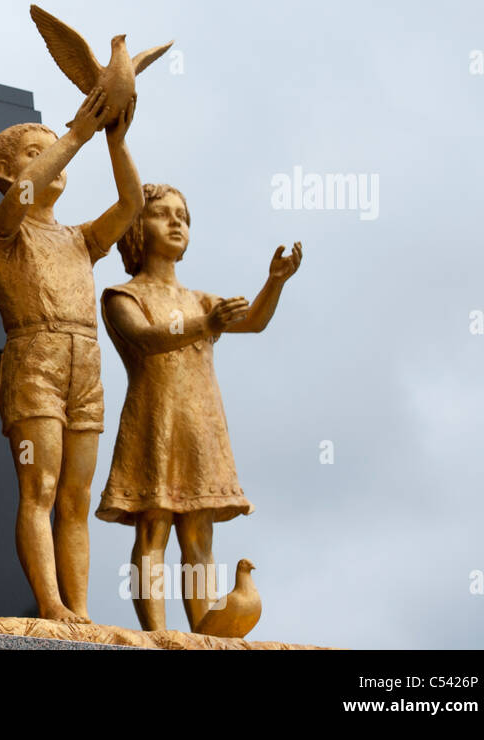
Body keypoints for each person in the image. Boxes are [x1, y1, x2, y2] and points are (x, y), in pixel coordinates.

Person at [98, 183, 302, 632]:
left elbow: (254, 321)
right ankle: (156, 632)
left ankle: (202, 631)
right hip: (155, 421)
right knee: (153, 526)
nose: (176, 223)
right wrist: (204, 325)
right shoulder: (122, 295)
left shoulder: (199, 298)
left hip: (200, 424)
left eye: (183, 217)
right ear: (137, 227)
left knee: (199, 532)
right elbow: (145, 338)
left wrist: (275, 282)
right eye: (163, 214)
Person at [0, 88, 143, 623]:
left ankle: (79, 607)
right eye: (36, 150)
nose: (55, 159)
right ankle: (50, 602)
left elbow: (131, 206)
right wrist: (76, 133)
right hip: (35, 357)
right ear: (6, 170)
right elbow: (22, 199)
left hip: (85, 361)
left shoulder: (79, 238)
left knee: (77, 495)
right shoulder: (2, 228)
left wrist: (115, 138)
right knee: (41, 486)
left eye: (54, 151)